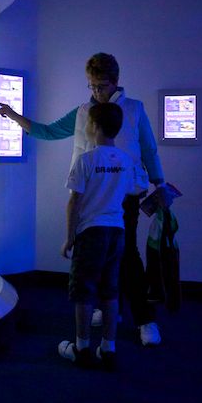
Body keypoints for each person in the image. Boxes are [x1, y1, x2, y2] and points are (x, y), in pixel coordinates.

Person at [0, 52, 165, 346]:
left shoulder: (135, 110)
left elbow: (149, 149)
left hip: (124, 195)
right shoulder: (81, 112)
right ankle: (107, 307)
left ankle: (145, 318)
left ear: (115, 82)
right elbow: (47, 131)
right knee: (96, 257)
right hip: (89, 197)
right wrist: (12, 116)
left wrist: (159, 183)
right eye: (91, 86)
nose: (97, 92)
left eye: (101, 86)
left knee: (126, 256)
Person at [57, 101, 144, 370]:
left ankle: (82, 347)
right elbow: (133, 190)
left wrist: (69, 236)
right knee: (110, 291)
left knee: (84, 292)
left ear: (93, 126)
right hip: (117, 231)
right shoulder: (126, 160)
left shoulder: (86, 160)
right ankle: (108, 348)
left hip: (91, 232)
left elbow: (74, 202)